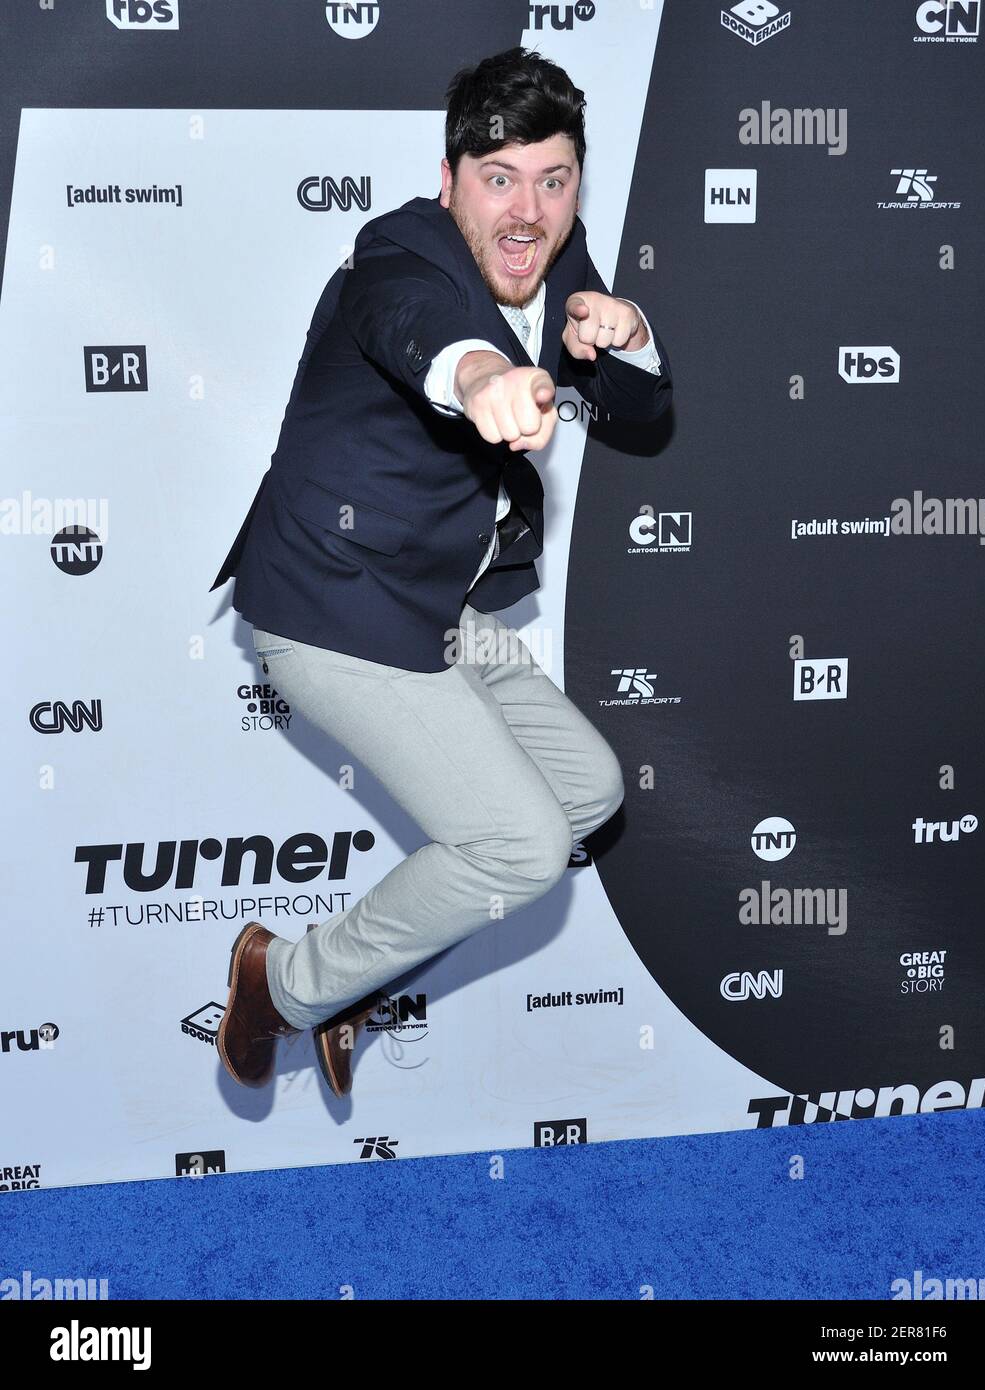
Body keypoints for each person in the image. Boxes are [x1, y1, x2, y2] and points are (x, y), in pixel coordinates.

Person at [212, 46, 673, 1097]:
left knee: (587, 790)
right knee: (517, 846)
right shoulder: (401, 250)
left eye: (553, 181)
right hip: (325, 601)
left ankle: (349, 985)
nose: (527, 210)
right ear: (450, 178)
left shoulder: (561, 258)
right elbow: (419, 327)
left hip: (430, 603)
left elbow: (643, 414)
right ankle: (279, 984)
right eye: (499, 179)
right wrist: (479, 377)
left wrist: (633, 336)